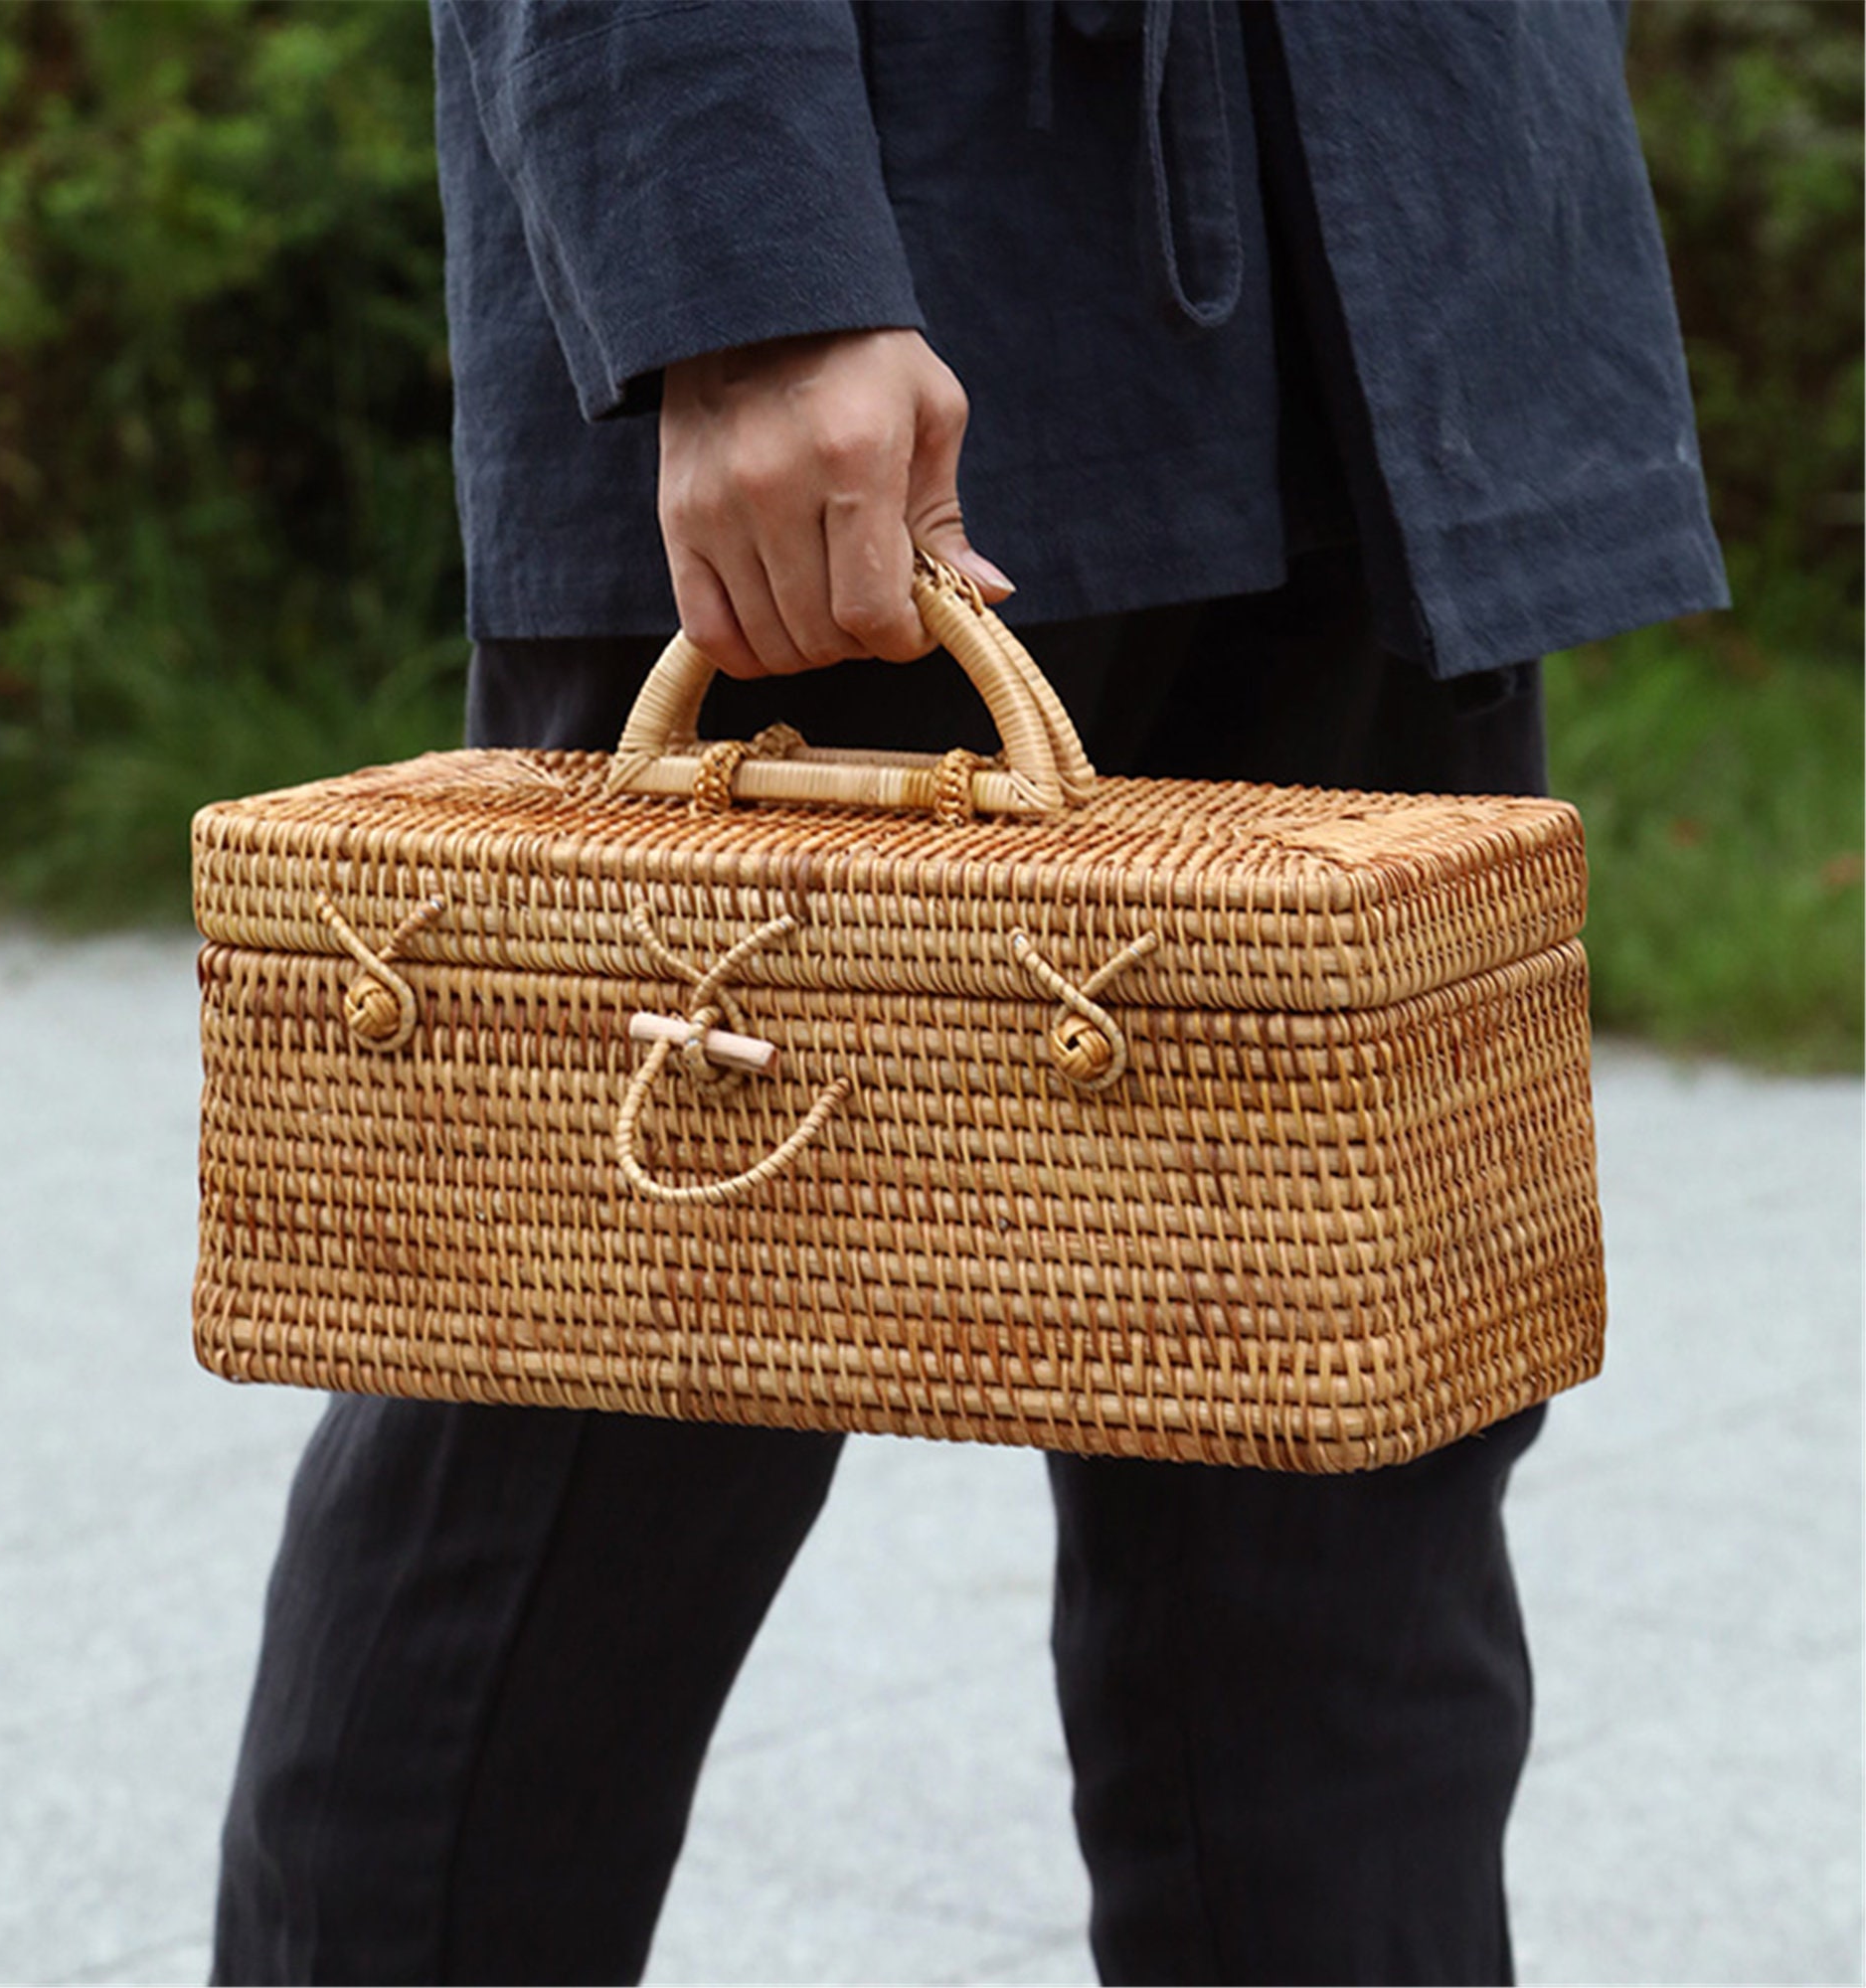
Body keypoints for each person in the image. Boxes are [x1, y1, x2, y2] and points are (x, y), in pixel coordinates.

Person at [212, 5, 1727, 1983]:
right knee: (582, 1435)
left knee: (1347, 1499)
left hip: (1398, 260)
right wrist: (734, 264)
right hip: (909, 280)